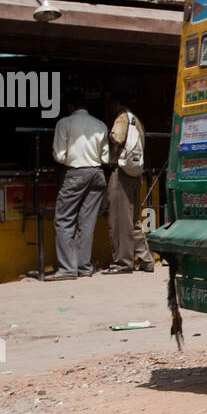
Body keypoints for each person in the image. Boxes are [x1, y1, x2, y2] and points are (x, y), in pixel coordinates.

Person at [49, 91, 109, 280]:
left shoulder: (64, 123)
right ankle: (84, 266)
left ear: (70, 106)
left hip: (75, 173)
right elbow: (105, 157)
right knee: (87, 222)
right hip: (97, 173)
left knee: (64, 220)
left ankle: (67, 268)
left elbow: (59, 155)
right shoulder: (100, 125)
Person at [103, 92, 156, 275]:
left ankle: (123, 262)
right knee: (133, 220)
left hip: (123, 173)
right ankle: (146, 259)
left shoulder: (122, 118)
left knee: (120, 219)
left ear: (115, 103)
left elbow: (117, 138)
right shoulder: (137, 121)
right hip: (135, 172)